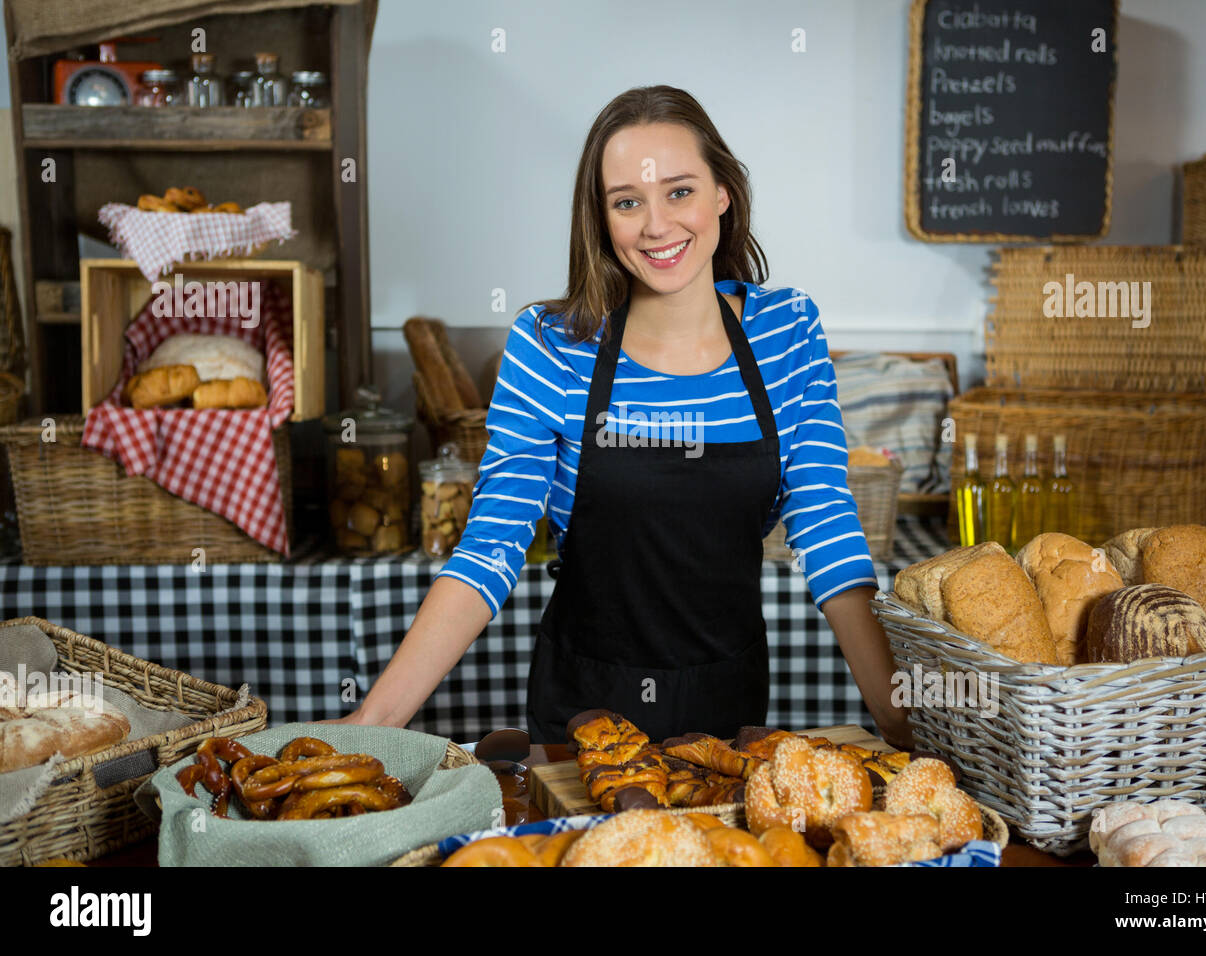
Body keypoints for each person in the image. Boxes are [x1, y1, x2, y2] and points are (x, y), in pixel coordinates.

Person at [336, 85, 912, 749]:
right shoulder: (551, 343)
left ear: (723, 191)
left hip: (730, 716)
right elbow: (491, 546)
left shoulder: (787, 331)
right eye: (628, 202)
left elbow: (827, 522)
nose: (657, 225)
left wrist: (898, 715)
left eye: (680, 191)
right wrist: (374, 723)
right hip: (581, 726)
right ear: (601, 218)